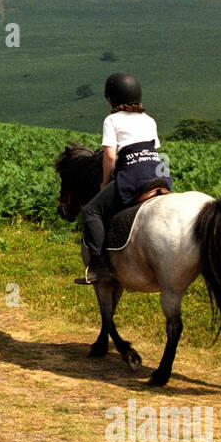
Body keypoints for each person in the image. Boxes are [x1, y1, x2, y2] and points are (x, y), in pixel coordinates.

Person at [78, 72, 172, 284]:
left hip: (134, 175)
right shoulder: (149, 119)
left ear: (112, 98)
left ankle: (99, 266)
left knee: (91, 210)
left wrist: (105, 181)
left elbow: (110, 156)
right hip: (160, 174)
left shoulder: (112, 120)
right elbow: (154, 148)